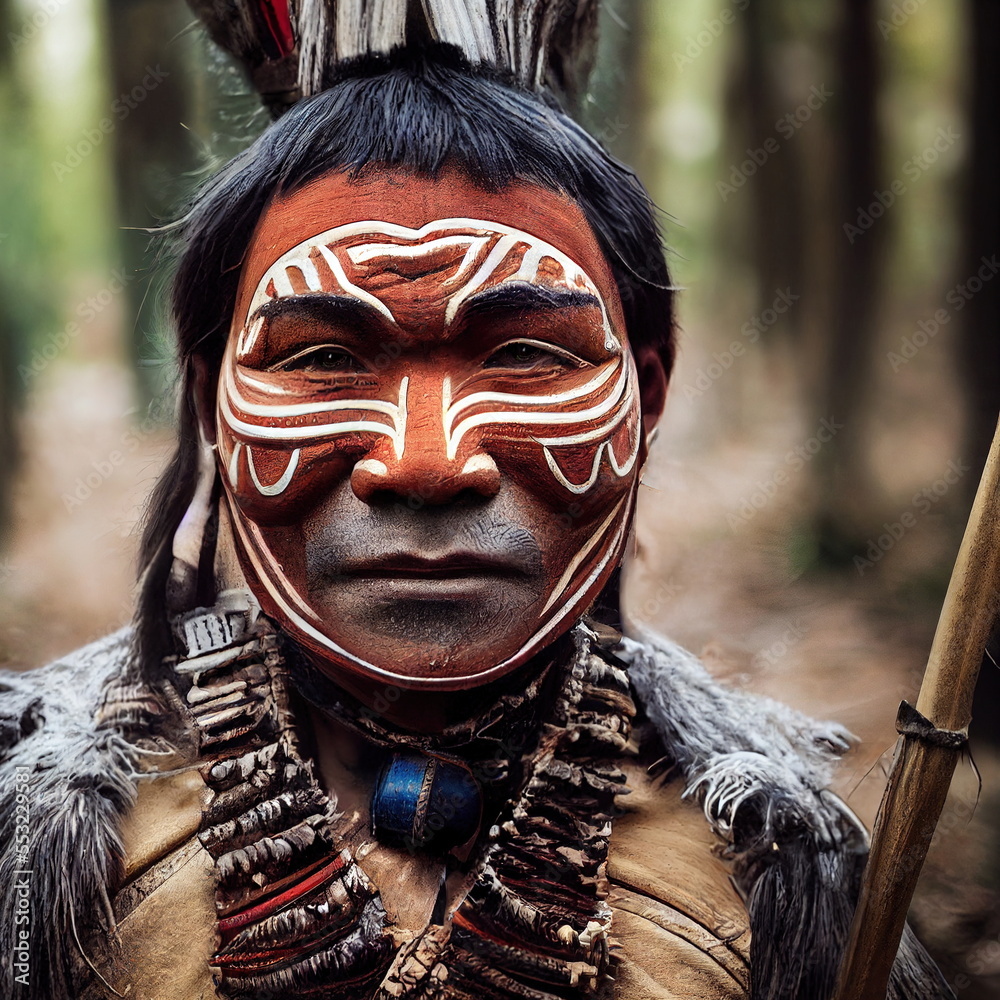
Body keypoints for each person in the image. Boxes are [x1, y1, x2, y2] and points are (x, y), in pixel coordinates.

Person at [0, 3, 952, 998]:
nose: (425, 464)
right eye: (323, 357)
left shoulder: (770, 873)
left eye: (525, 356)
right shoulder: (57, 854)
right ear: (210, 400)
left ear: (647, 391)